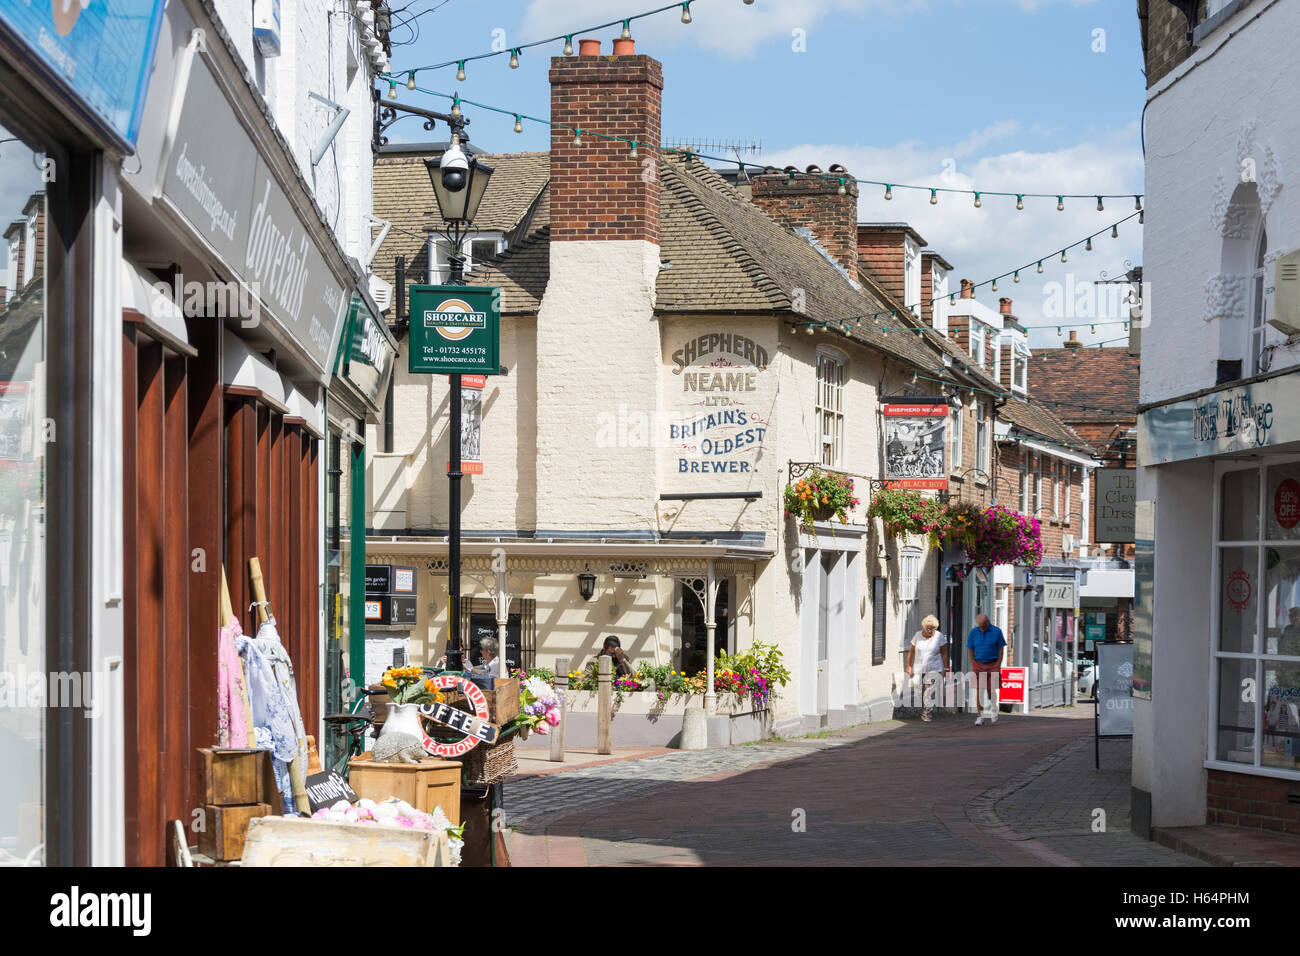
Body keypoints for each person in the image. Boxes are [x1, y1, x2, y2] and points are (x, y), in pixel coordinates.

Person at [905, 615, 949, 722]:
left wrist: (946, 669)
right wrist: (909, 665)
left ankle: (926, 713)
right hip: (919, 669)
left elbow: (944, 653)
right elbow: (911, 651)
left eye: (933, 628)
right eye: (928, 628)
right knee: (919, 691)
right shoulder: (917, 636)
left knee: (928, 690)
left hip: (934, 668)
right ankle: (926, 709)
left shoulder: (939, 636)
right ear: (924, 627)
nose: (930, 631)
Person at [967, 613, 1006, 726]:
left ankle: (994, 708)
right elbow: (970, 648)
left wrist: (998, 663)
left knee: (991, 690)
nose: (982, 628)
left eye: (983, 626)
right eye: (980, 626)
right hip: (978, 663)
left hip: (993, 663)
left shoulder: (997, 631)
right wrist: (973, 663)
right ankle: (980, 716)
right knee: (980, 690)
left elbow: (1001, 649)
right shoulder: (974, 632)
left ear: (988, 622)